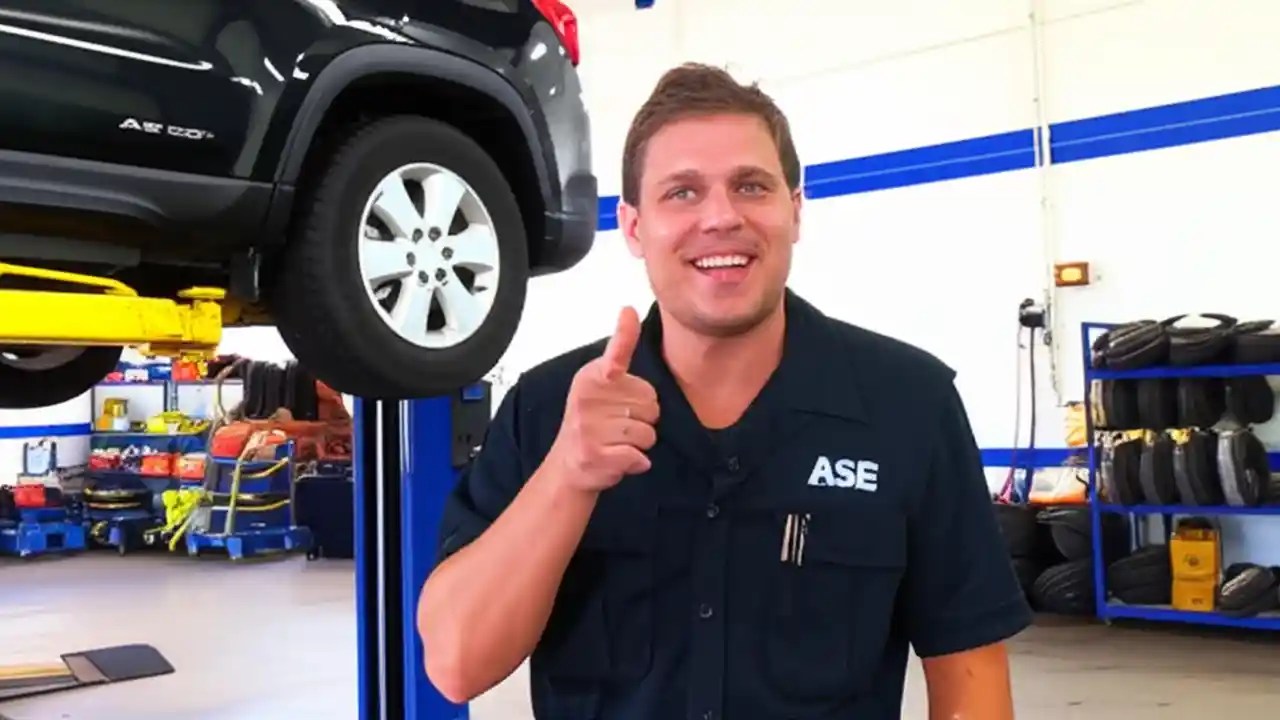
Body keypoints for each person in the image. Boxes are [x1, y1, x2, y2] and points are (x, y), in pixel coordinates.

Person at [418, 62, 1032, 720]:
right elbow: (457, 665)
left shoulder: (910, 407)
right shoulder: (545, 413)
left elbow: (970, 678)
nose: (721, 217)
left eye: (751, 186)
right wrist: (567, 478)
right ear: (632, 227)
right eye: (682, 192)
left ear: (794, 210)